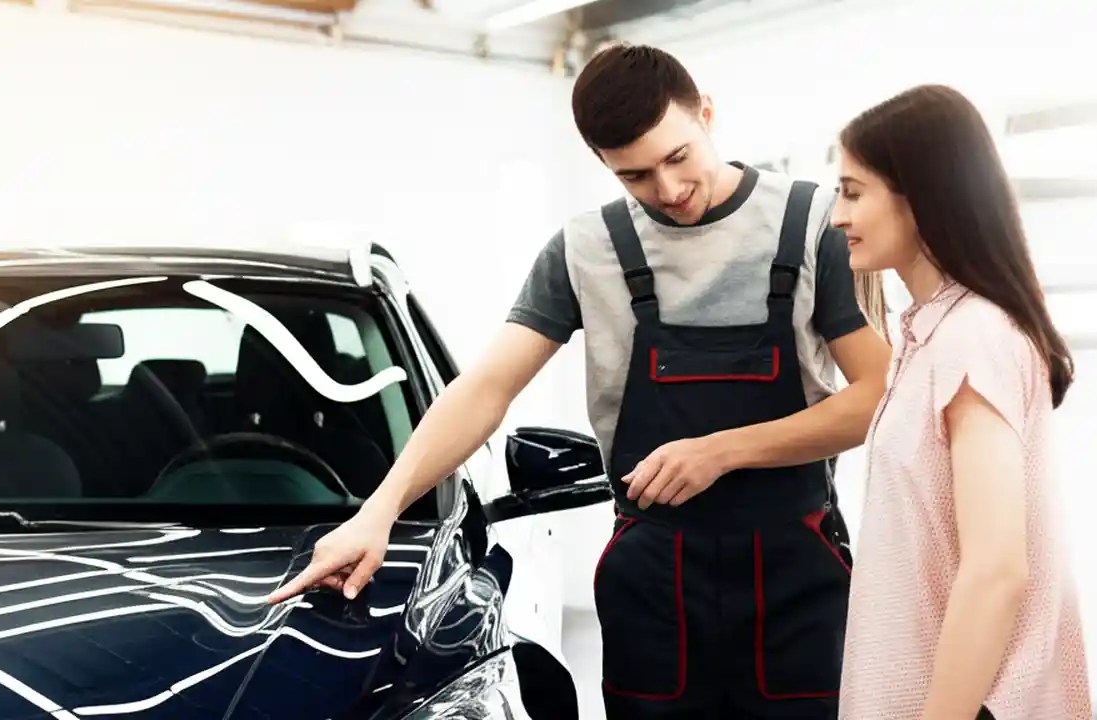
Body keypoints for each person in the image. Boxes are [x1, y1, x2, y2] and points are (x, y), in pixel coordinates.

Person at [268, 43, 891, 719]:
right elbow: (485, 388)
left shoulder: (816, 227)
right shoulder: (583, 251)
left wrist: (720, 450)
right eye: (637, 176)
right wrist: (379, 509)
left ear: (706, 114)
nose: (669, 190)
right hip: (656, 585)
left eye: (679, 157)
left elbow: (876, 398)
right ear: (604, 164)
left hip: (795, 575)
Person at [831, 84, 1093, 720]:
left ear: (920, 198)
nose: (837, 215)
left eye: (853, 191)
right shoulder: (935, 332)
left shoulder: (974, 337)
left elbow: (997, 569)